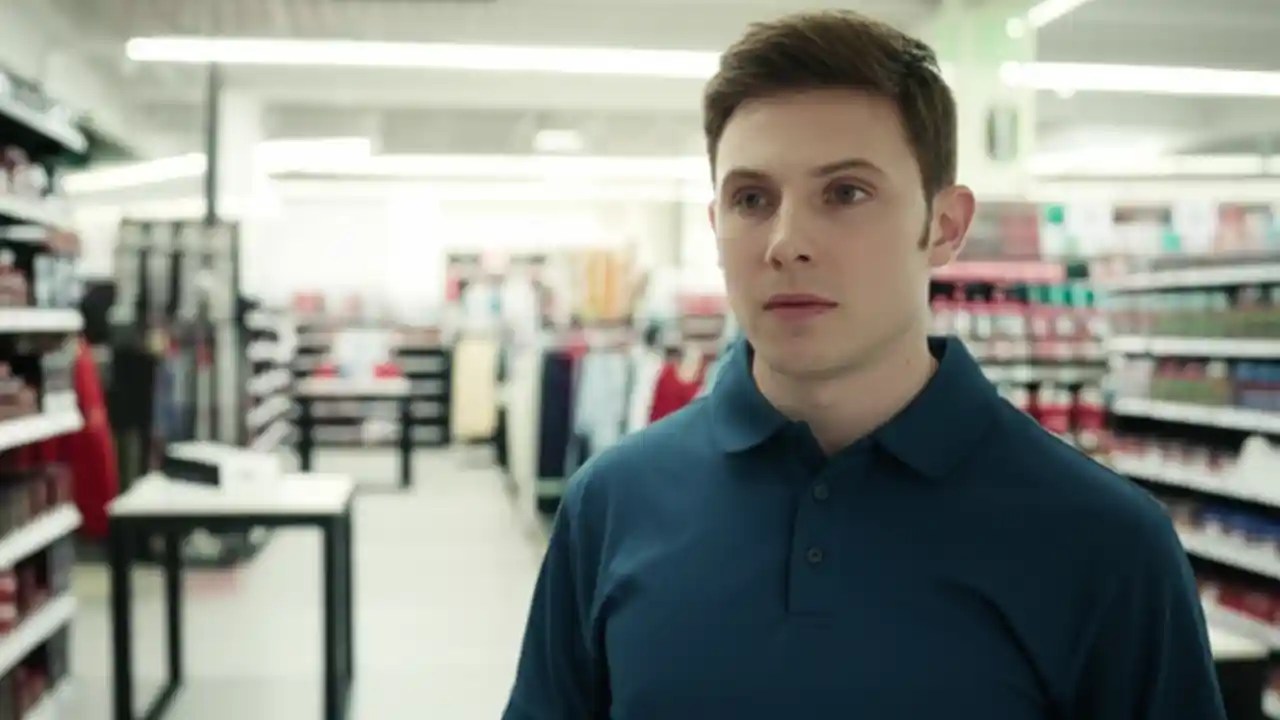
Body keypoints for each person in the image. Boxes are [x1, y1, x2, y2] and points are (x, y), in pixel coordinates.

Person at [503, 10, 1226, 720]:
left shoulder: (1105, 543)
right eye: (752, 198)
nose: (786, 242)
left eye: (845, 192)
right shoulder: (611, 504)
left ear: (943, 226)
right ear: (716, 226)